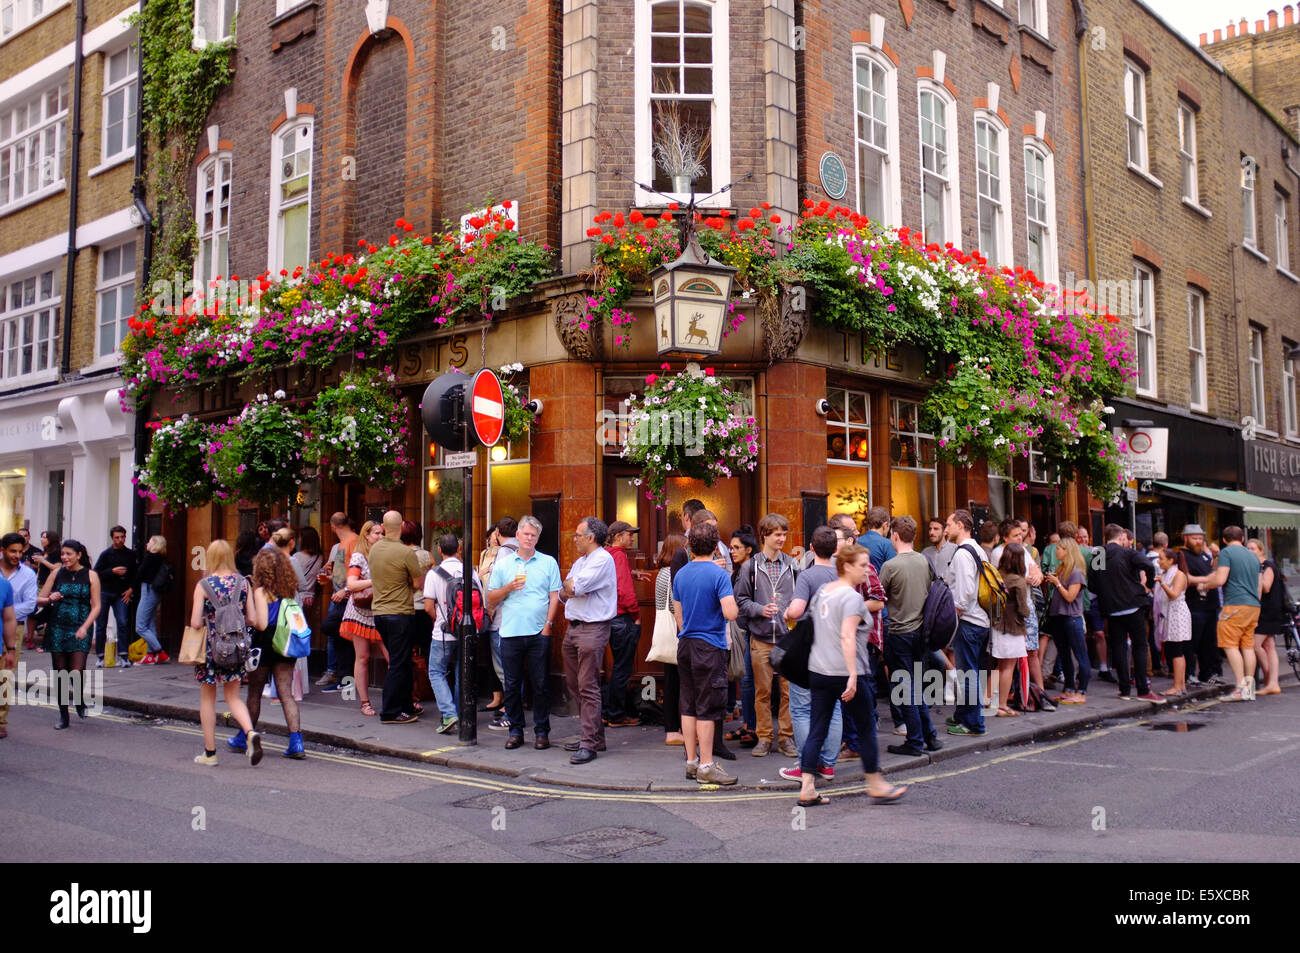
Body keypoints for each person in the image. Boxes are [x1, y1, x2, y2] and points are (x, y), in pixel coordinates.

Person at [795, 544, 906, 807]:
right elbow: (846, 635)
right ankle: (876, 784)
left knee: (817, 728)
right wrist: (853, 675)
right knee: (867, 728)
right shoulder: (852, 598)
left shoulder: (823, 591)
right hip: (845, 672)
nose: (867, 570)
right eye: (862, 565)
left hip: (819, 670)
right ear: (846, 566)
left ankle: (808, 787)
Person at [673, 521, 740, 785]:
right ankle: (707, 765)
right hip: (710, 646)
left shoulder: (681, 574)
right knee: (708, 707)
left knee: (688, 704)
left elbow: (678, 612)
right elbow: (730, 613)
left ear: (690, 546)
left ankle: (691, 762)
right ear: (715, 546)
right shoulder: (719, 575)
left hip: (686, 643)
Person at [487, 515, 561, 750]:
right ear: (517, 535)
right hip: (509, 633)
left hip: (539, 633)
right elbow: (490, 598)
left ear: (537, 538)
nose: (529, 538)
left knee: (540, 685)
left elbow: (554, 596)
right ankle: (515, 731)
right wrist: (509, 587)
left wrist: (548, 625)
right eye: (525, 534)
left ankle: (541, 732)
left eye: (533, 535)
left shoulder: (548, 562)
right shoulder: (503, 565)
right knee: (511, 684)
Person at [188, 540, 260, 765]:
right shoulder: (243, 583)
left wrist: (207, 618)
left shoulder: (204, 585)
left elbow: (194, 623)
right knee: (233, 697)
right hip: (236, 647)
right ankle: (250, 733)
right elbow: (252, 619)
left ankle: (210, 754)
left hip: (211, 648)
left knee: (207, 699)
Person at [229, 548, 307, 759]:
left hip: (263, 644)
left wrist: (249, 617)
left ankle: (243, 736)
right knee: (286, 693)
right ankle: (296, 742)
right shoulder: (289, 588)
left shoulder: (261, 592)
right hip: (285, 642)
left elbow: (261, 623)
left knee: (254, 693)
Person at [780, 525, 843, 781]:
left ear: (812, 548)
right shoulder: (842, 575)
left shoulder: (807, 576)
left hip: (810, 651)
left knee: (803, 708)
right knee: (834, 707)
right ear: (836, 549)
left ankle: (808, 763)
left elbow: (795, 611)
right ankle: (828, 764)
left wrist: (785, 613)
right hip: (837, 649)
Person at [733, 513, 799, 758]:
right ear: (765, 536)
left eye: (784, 534)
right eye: (777, 534)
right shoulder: (750, 566)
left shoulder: (793, 565)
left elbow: (801, 599)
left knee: (788, 692)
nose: (782, 538)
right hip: (760, 639)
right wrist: (760, 609)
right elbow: (740, 601)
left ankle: (786, 738)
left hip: (787, 639)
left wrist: (793, 612)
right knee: (762, 692)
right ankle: (763, 737)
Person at [880, 516, 942, 754]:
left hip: (899, 633)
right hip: (921, 632)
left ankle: (915, 742)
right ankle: (930, 737)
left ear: (894, 535)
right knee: (916, 685)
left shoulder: (891, 566)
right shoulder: (925, 561)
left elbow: (879, 596)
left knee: (905, 689)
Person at [559, 517, 617, 763]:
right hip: (573, 628)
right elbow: (564, 592)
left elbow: (575, 588)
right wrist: (569, 587)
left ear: (591, 537)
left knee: (588, 685)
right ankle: (593, 736)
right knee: (575, 685)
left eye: (578, 535)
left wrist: (570, 587)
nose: (575, 539)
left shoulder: (603, 559)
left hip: (592, 629)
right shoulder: (581, 561)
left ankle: (589, 743)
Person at [1089, 524, 1165, 704]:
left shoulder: (1098, 553)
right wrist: (1148, 586)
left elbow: (1092, 580)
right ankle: (1143, 689)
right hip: (1133, 604)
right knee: (1139, 646)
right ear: (1122, 536)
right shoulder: (1127, 552)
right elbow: (1148, 565)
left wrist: (1105, 592)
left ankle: (1124, 689)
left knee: (1119, 647)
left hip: (1111, 608)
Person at [368, 511, 427, 725]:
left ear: (383, 527)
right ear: (401, 526)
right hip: (400, 612)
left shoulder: (374, 550)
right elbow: (418, 583)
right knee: (399, 663)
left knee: (402, 661)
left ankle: (406, 706)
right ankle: (390, 712)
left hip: (380, 613)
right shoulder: (405, 552)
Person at [36, 540, 100, 730]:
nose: (64, 557)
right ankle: (64, 716)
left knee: (77, 670)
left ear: (79, 555)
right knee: (61, 673)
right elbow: (38, 600)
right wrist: (49, 599)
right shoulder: (56, 573)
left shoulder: (91, 575)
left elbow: (97, 606)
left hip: (81, 627)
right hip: (57, 627)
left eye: (69, 554)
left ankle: (79, 699)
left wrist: (85, 627)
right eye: (62, 554)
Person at [424, 533, 483, 733]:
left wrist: (441, 620)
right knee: (462, 672)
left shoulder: (434, 573)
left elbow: (428, 606)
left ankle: (449, 714)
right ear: (458, 550)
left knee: (436, 671)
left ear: (439, 551)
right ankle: (461, 712)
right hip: (468, 631)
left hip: (443, 633)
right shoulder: (471, 572)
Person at [1197, 526, 1262, 702]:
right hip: (1253, 605)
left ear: (1224, 540)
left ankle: (1240, 688)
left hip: (1234, 604)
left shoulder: (1226, 553)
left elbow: (1220, 579)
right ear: (1242, 539)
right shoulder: (1253, 557)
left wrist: (1203, 586)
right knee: (1247, 646)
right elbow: (1259, 586)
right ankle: (1249, 688)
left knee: (1230, 645)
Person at [945, 509, 991, 735]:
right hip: (981, 620)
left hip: (969, 622)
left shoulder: (963, 554)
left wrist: (950, 618)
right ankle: (962, 715)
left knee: (968, 674)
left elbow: (963, 594)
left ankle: (973, 724)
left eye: (949, 524)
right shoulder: (978, 549)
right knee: (971, 672)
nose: (946, 529)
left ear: (961, 525)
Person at [342, 520, 387, 716]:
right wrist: (374, 581)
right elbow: (351, 584)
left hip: (379, 610)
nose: (380, 537)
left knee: (391, 656)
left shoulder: (384, 554)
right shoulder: (359, 556)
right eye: (377, 533)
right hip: (360, 611)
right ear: (366, 535)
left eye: (382, 533)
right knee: (363, 657)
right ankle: (364, 702)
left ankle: (401, 699)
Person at [602, 520, 643, 728]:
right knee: (622, 668)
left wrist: (633, 573)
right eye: (629, 534)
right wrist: (636, 615)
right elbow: (624, 591)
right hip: (622, 619)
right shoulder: (619, 556)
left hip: (610, 619)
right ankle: (616, 714)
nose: (632, 538)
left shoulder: (607, 554)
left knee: (618, 667)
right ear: (618, 536)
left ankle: (609, 711)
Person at [0, 532, 38, 738]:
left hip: (15, 626)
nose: (17, 555)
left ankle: (1, 719)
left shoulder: (28, 575)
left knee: (5, 674)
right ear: (2, 550)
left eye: (20, 551)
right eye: (12, 551)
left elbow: (30, 604)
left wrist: (7, 613)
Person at [1044, 536, 1089, 705]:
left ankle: (1082, 690)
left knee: (1079, 654)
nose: (1056, 551)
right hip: (1058, 617)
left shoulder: (1076, 571)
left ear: (1067, 551)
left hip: (1071, 618)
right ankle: (1069, 688)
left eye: (1059, 548)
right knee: (1064, 655)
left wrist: (1057, 583)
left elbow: (1070, 597)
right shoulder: (1062, 568)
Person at [725, 527, 759, 748]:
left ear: (748, 549)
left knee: (749, 681)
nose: (732, 551)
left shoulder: (751, 569)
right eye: (731, 547)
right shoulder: (739, 569)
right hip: (742, 630)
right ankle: (749, 725)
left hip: (751, 630)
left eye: (736, 548)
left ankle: (753, 728)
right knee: (746, 681)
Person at [317, 513, 358, 692]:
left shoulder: (353, 541)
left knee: (330, 627)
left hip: (349, 599)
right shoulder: (343, 544)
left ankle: (346, 678)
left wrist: (345, 590)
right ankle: (345, 679)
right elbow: (344, 573)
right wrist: (331, 578)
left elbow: (360, 570)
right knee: (341, 637)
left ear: (333, 526)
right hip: (342, 596)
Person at [990, 543, 1031, 717]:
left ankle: (986, 699)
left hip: (997, 625)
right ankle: (1002, 705)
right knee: (1009, 665)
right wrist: (1029, 612)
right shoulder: (1019, 581)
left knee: (1000, 665)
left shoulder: (997, 576)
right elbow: (1023, 609)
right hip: (1013, 626)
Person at [1179, 524, 1223, 684]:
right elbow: (1187, 578)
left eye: (1200, 538)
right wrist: (1208, 580)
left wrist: (1217, 556)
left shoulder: (1205, 555)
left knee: (1209, 642)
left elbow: (1217, 572)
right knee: (1191, 643)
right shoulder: (1182, 555)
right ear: (1185, 538)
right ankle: (1190, 674)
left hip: (1210, 605)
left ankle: (1208, 673)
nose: (1198, 541)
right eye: (1194, 538)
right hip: (1194, 605)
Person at [656, 534, 688, 746]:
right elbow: (674, 604)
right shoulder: (672, 574)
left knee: (671, 682)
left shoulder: (661, 573)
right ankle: (674, 729)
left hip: (664, 632)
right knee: (679, 683)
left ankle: (672, 728)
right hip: (676, 632)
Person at [93, 525, 137, 667]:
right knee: (101, 624)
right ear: (112, 538)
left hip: (122, 593)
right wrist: (112, 571)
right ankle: (100, 656)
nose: (120, 540)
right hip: (105, 591)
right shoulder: (106, 554)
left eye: (122, 537)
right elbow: (96, 572)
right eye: (117, 537)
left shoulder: (131, 554)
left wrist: (131, 589)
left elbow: (136, 574)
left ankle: (123, 656)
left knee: (123, 622)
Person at [1244, 539, 1284, 696]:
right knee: (1268, 646)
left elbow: (1266, 587)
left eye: (1253, 548)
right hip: (1266, 609)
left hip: (1268, 611)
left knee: (1255, 645)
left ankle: (1270, 679)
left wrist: (1256, 576)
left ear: (1261, 551)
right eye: (1247, 549)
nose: (1250, 551)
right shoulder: (1259, 566)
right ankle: (1271, 683)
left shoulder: (1267, 566)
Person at [1153, 547, 1192, 697]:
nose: (1158, 561)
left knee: (1176, 650)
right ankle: (1180, 685)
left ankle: (1177, 685)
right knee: (1174, 650)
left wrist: (1162, 583)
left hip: (1176, 614)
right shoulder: (1166, 573)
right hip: (1169, 614)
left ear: (1171, 561)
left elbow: (1174, 595)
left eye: (1161, 558)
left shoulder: (1179, 575)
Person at [133, 535, 171, 663]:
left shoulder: (150, 557)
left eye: (149, 541)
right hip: (155, 592)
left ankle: (160, 652)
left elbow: (140, 574)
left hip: (148, 590)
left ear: (155, 544)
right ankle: (150, 655)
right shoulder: (161, 558)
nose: (147, 544)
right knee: (149, 622)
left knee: (140, 626)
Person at [292, 526, 323, 610]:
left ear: (304, 540)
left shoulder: (296, 557)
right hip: (311, 598)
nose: (299, 539)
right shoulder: (320, 557)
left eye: (300, 537)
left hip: (298, 597)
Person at [855, 506, 895, 572]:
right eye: (889, 526)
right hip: (879, 581)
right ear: (885, 525)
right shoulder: (887, 544)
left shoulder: (856, 541)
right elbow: (892, 571)